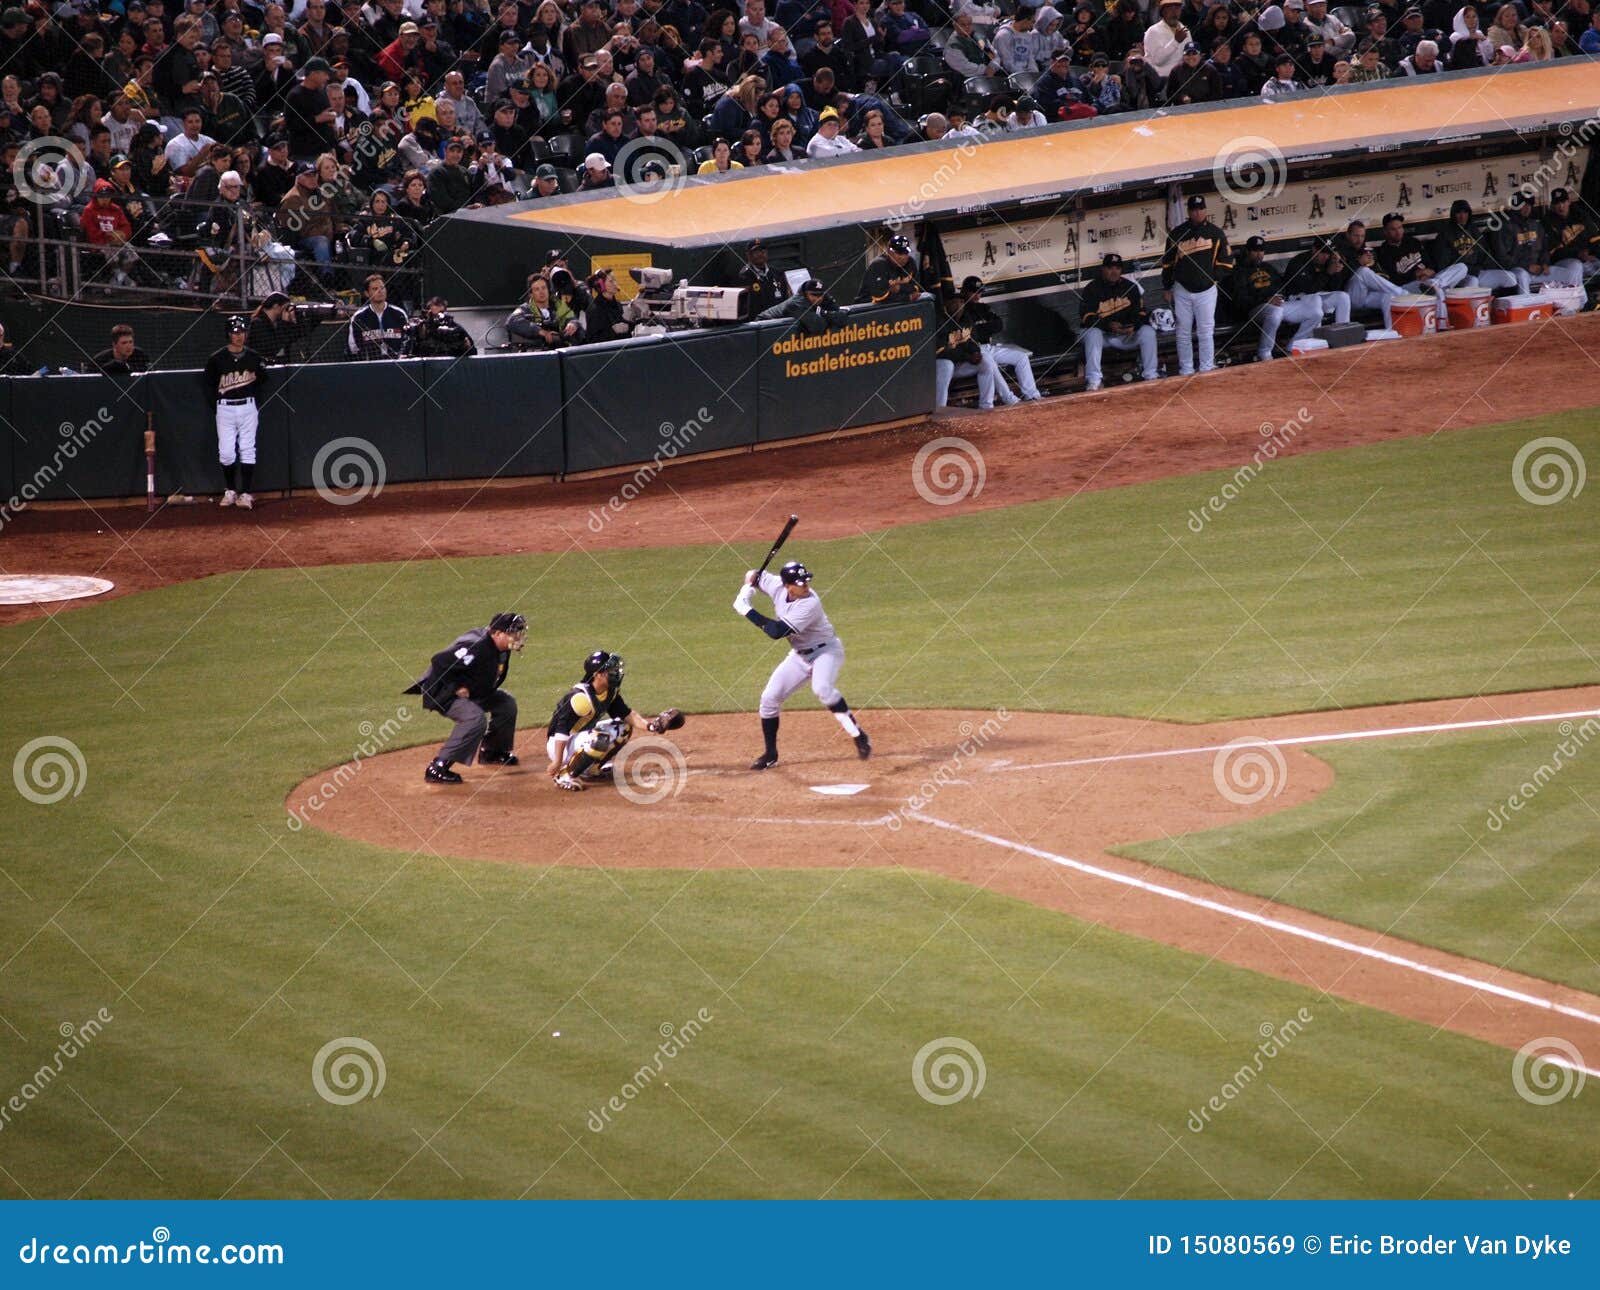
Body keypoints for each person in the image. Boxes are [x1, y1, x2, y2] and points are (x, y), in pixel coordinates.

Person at [733, 560, 869, 770]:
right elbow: (754, 574)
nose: (805, 586)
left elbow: (776, 632)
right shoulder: (777, 585)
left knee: (822, 688)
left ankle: (857, 734)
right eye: (800, 583)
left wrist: (745, 609)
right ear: (787, 585)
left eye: (806, 581)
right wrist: (749, 584)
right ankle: (770, 754)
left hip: (826, 651)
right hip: (799, 656)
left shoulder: (810, 603)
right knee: (769, 699)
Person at [405, 612, 528, 784]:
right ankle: (438, 767)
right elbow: (439, 661)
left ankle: (492, 751)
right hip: (443, 693)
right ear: (498, 634)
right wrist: (456, 687)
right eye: (513, 632)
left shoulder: (501, 648)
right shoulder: (477, 647)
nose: (517, 636)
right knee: (475, 719)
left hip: (475, 692)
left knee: (506, 703)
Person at [544, 650, 665, 791]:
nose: (616, 674)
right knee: (599, 738)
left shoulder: (610, 691)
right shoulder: (580, 698)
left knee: (623, 728)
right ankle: (565, 774)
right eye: (611, 671)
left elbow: (627, 715)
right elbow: (561, 730)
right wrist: (557, 761)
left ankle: (590, 769)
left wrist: (651, 726)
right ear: (597, 674)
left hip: (583, 738)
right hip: (560, 745)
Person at [1160, 194, 1232, 376]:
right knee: (1183, 332)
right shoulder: (1177, 233)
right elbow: (1167, 264)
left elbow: (1226, 263)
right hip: (1182, 289)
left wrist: (1211, 277)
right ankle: (1186, 370)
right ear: (1189, 211)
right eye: (1194, 209)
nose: (1197, 212)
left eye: (1200, 209)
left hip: (1207, 291)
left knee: (1205, 331)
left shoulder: (1216, 233)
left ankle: (1206, 368)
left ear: (1205, 210)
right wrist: (1167, 287)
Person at [205, 316, 268, 511]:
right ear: (228, 335)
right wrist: (217, 407)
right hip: (225, 407)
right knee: (226, 453)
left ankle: (246, 493)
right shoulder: (216, 359)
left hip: (248, 407)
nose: (239, 336)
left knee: (248, 449)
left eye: (241, 332)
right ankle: (230, 490)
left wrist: (254, 405)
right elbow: (208, 387)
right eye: (235, 332)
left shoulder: (254, 358)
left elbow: (262, 381)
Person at [1231, 236, 1322, 360]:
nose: (1259, 255)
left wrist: (1279, 296)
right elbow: (1241, 300)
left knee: (1315, 312)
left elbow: (1282, 286)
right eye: (1255, 251)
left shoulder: (1268, 267)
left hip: (1277, 304)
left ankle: (1292, 347)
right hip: (1256, 309)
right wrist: (1266, 299)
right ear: (1247, 251)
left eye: (1261, 251)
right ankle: (1265, 353)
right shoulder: (1239, 271)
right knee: (1276, 312)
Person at [1079, 252, 1157, 390]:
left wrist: (1133, 326)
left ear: (1121, 270)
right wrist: (1108, 326)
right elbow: (1086, 318)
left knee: (1148, 332)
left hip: (1126, 335)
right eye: (1110, 268)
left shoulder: (1131, 287)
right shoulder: (1092, 288)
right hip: (1104, 337)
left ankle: (1151, 375)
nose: (1114, 271)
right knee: (1092, 333)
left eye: (1117, 268)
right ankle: (1094, 380)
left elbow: (1142, 313)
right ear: (1103, 269)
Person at [958, 276, 1042, 402]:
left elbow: (998, 325)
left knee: (1022, 357)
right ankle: (1008, 398)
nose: (977, 296)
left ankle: (1032, 395)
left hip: (988, 347)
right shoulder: (959, 309)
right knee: (990, 362)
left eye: (979, 292)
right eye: (974, 292)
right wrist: (983, 328)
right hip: (973, 350)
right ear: (964, 291)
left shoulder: (982, 308)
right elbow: (971, 333)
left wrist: (979, 328)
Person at [934, 288, 1002, 408]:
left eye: (961, 301)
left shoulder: (966, 318)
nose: (959, 304)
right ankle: (940, 409)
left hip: (961, 363)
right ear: (947, 303)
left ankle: (986, 405)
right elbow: (940, 351)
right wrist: (967, 356)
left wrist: (975, 352)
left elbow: (974, 341)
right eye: (956, 301)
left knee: (986, 362)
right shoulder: (938, 320)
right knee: (947, 365)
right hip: (940, 365)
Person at [1333, 219, 1405, 327]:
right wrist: (1358, 263)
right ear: (1348, 235)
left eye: (1362, 236)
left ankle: (1392, 331)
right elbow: (1337, 281)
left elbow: (1382, 274)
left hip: (1367, 296)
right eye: (1356, 236)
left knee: (1388, 297)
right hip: (1349, 298)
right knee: (1362, 271)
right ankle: (1403, 294)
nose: (1359, 239)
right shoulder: (1339, 253)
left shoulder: (1367, 252)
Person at [1544, 188, 1599, 289]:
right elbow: (1555, 252)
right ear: (1552, 205)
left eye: (1563, 202)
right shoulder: (1548, 222)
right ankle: (1579, 301)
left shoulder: (1581, 215)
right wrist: (1578, 254)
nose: (1561, 206)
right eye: (1557, 203)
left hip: (1587, 259)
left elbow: (1595, 237)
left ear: (1569, 201)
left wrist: (1590, 252)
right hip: (1565, 261)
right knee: (1576, 265)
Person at [348, 273, 410, 359]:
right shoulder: (358, 317)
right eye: (375, 289)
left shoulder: (399, 314)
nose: (380, 291)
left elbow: (407, 338)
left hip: (397, 364)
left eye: (382, 288)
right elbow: (353, 346)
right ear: (367, 293)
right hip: (370, 366)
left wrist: (401, 355)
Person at [757, 277, 845, 331]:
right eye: (814, 295)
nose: (818, 298)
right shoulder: (796, 304)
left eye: (820, 295)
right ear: (806, 293)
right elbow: (818, 326)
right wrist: (826, 314)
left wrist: (825, 313)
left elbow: (842, 319)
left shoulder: (822, 296)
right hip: (763, 323)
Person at [857, 233, 920, 304]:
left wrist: (899, 288)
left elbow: (916, 288)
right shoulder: (879, 265)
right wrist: (908, 297)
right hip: (865, 309)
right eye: (899, 253)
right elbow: (879, 297)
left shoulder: (910, 262)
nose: (902, 257)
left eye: (905, 253)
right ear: (889, 252)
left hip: (894, 308)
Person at [409, 295, 477, 356]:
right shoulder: (421, 328)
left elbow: (472, 352)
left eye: (441, 314)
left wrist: (465, 346)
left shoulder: (455, 329)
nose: (437, 318)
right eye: (433, 315)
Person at [737, 238, 789, 311]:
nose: (760, 254)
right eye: (756, 252)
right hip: (758, 320)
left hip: (778, 317)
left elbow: (785, 297)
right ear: (748, 255)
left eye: (763, 251)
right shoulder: (744, 276)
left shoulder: (776, 272)